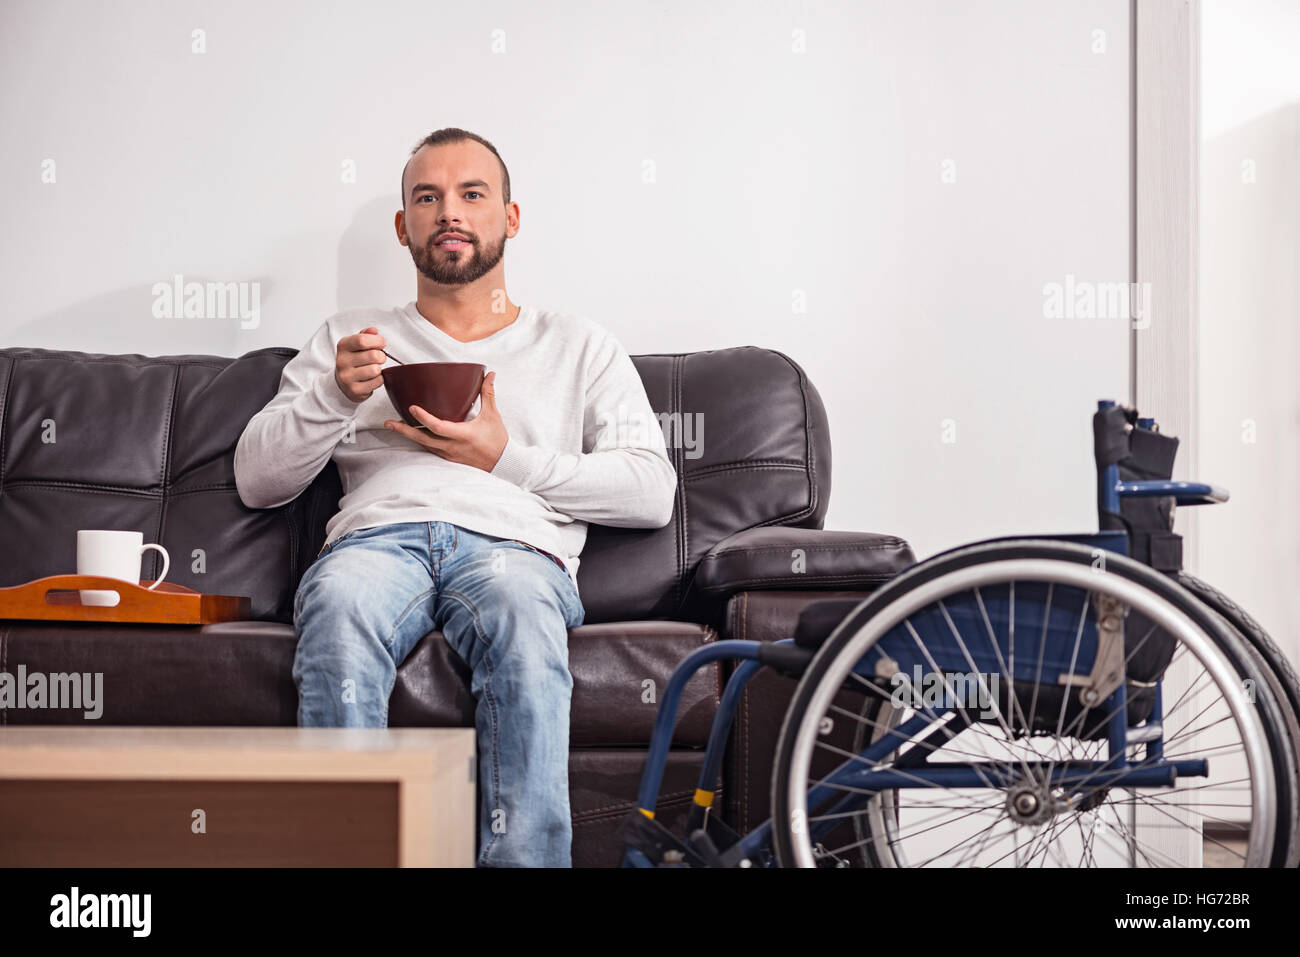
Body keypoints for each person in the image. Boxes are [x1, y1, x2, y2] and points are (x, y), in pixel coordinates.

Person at [233, 128, 677, 867]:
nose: (451, 212)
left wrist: (503, 458)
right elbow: (258, 478)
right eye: (428, 197)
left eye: (473, 194)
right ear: (404, 226)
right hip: (377, 543)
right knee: (337, 606)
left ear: (510, 216)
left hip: (515, 550)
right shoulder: (351, 340)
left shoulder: (577, 343)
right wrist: (334, 396)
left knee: (524, 624)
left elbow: (651, 489)